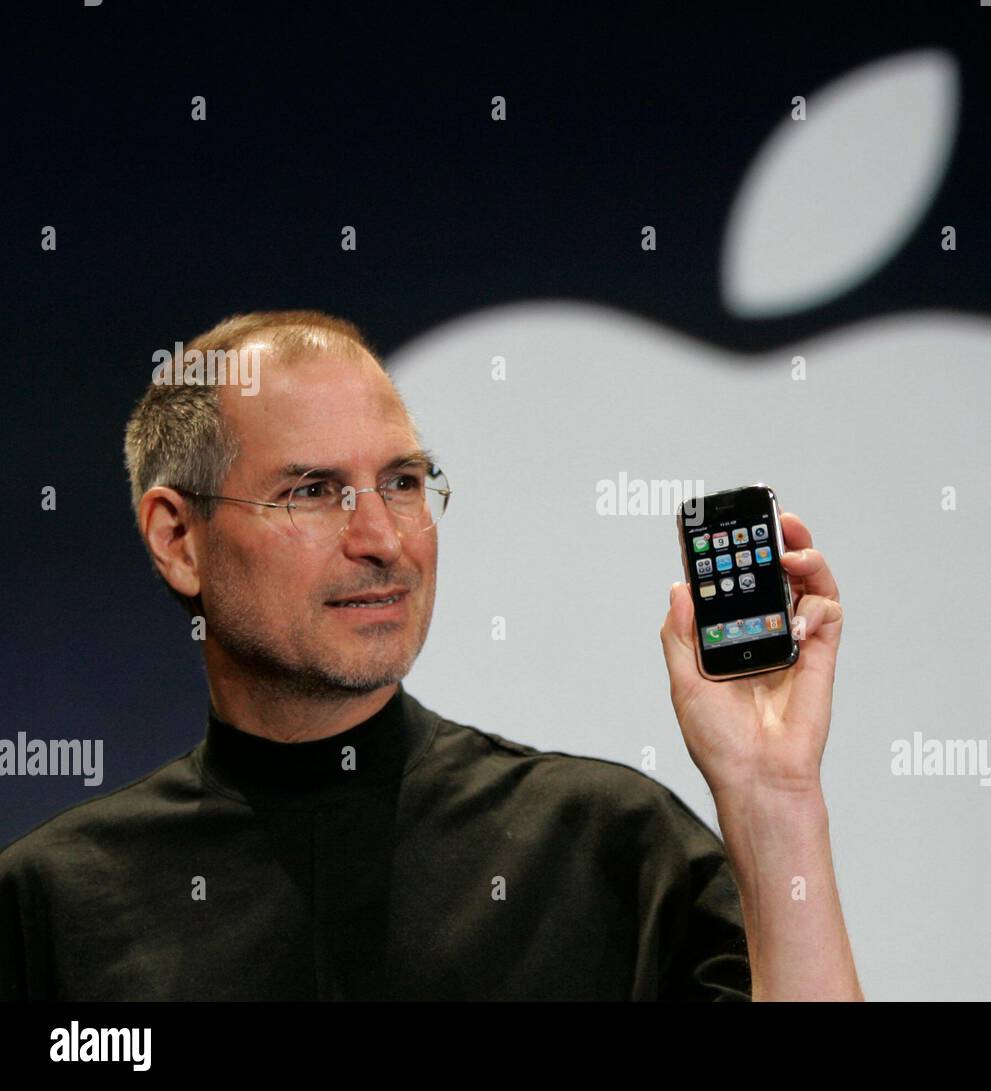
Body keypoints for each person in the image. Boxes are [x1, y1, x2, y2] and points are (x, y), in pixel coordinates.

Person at [0, 310, 861, 1001]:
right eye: (312, 491)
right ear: (179, 539)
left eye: (404, 482)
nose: (383, 539)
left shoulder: (608, 850)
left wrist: (771, 797)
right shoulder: (54, 905)